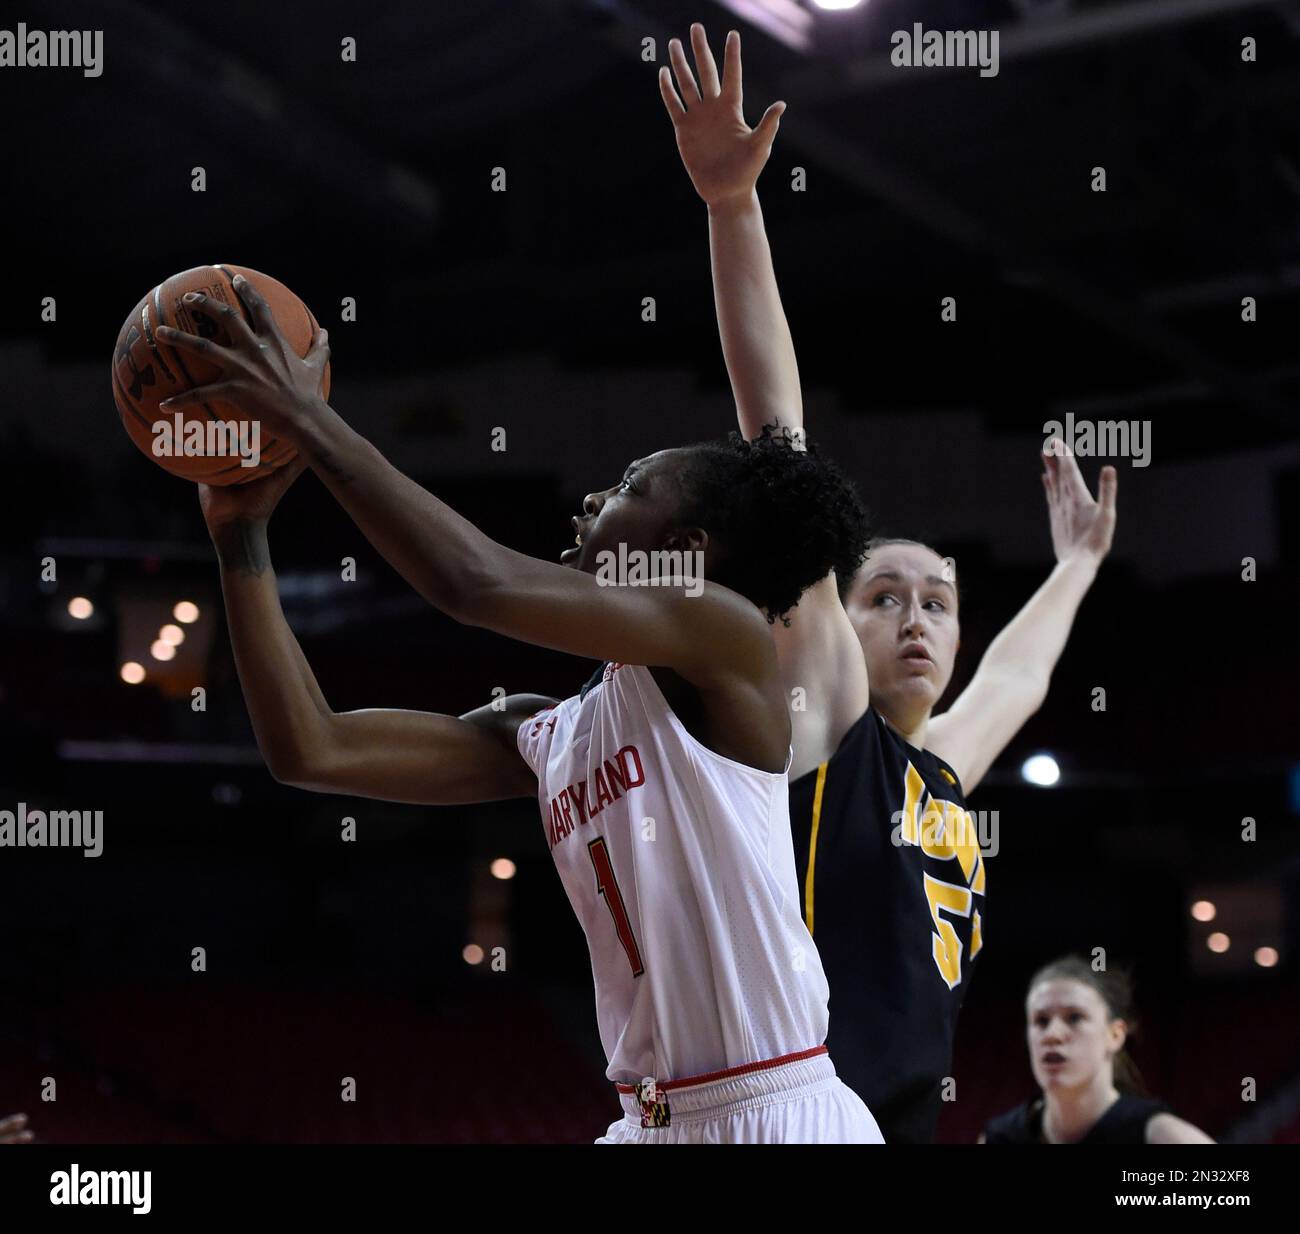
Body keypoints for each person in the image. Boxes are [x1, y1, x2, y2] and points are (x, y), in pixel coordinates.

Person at [154, 279, 883, 1143]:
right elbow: (312, 750)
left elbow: (476, 584)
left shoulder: (722, 637)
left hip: (777, 1113)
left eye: (627, 487)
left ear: (686, 554)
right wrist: (241, 541)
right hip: (647, 1121)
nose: (592, 501)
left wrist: (306, 421)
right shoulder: (552, 733)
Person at [661, 24, 1118, 1142]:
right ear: (832, 617)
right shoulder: (826, 727)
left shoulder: (938, 774)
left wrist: (1077, 566)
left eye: (938, 601)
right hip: (789, 1114)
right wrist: (733, 208)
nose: (916, 616)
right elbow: (778, 432)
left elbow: (1016, 678)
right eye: (885, 595)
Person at [980, 956, 1214, 1143]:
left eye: (1074, 1018)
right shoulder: (1000, 1137)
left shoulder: (1159, 1134)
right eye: (1041, 1021)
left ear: (1115, 1035)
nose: (1052, 1034)